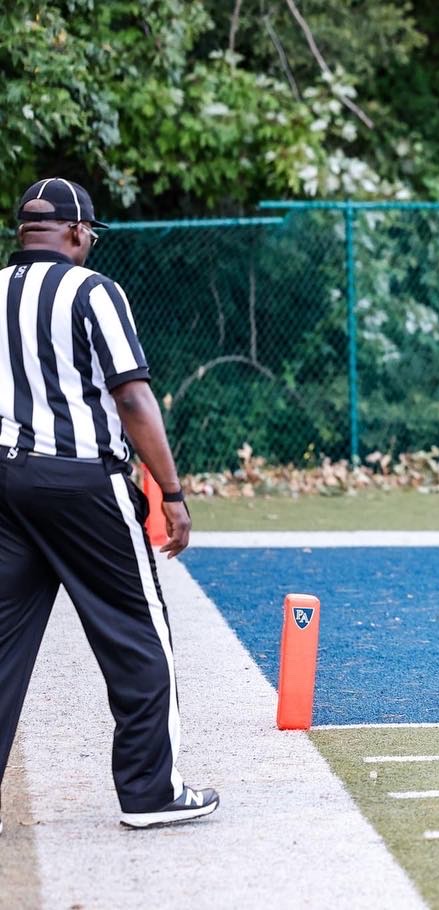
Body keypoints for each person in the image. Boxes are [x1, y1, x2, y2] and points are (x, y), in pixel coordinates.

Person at [0, 178, 218, 833]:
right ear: (74, 232)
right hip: (80, 483)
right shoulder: (94, 291)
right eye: (89, 234)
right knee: (138, 633)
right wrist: (172, 493)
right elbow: (132, 399)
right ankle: (150, 792)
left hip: (5, 481)